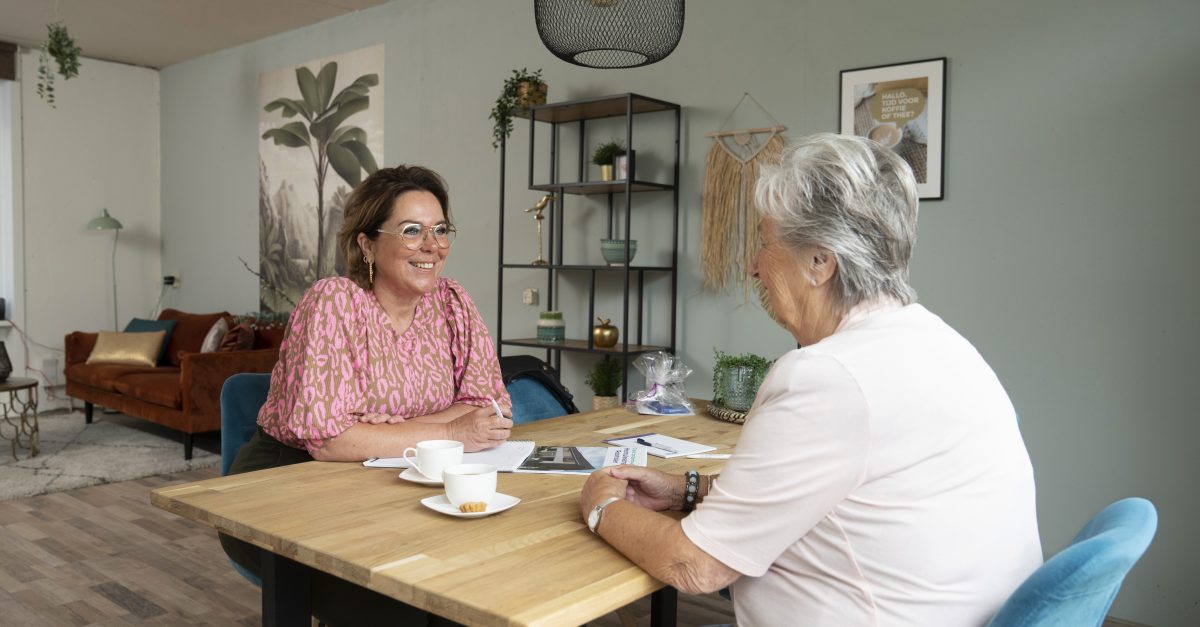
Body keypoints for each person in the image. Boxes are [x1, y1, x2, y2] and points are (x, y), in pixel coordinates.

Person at [580, 134, 1042, 626]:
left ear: (820, 262)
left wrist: (600, 505)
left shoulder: (829, 378)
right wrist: (685, 491)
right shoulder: (939, 342)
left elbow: (694, 566)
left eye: (764, 243)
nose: (754, 267)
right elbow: (835, 489)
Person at [221, 165, 512, 622]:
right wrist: (453, 429)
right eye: (412, 230)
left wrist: (375, 430)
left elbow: (488, 407)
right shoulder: (334, 301)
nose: (432, 246)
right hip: (284, 490)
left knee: (483, 581)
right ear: (367, 243)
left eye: (440, 230)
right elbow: (331, 441)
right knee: (413, 606)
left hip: (390, 486)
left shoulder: (453, 302)